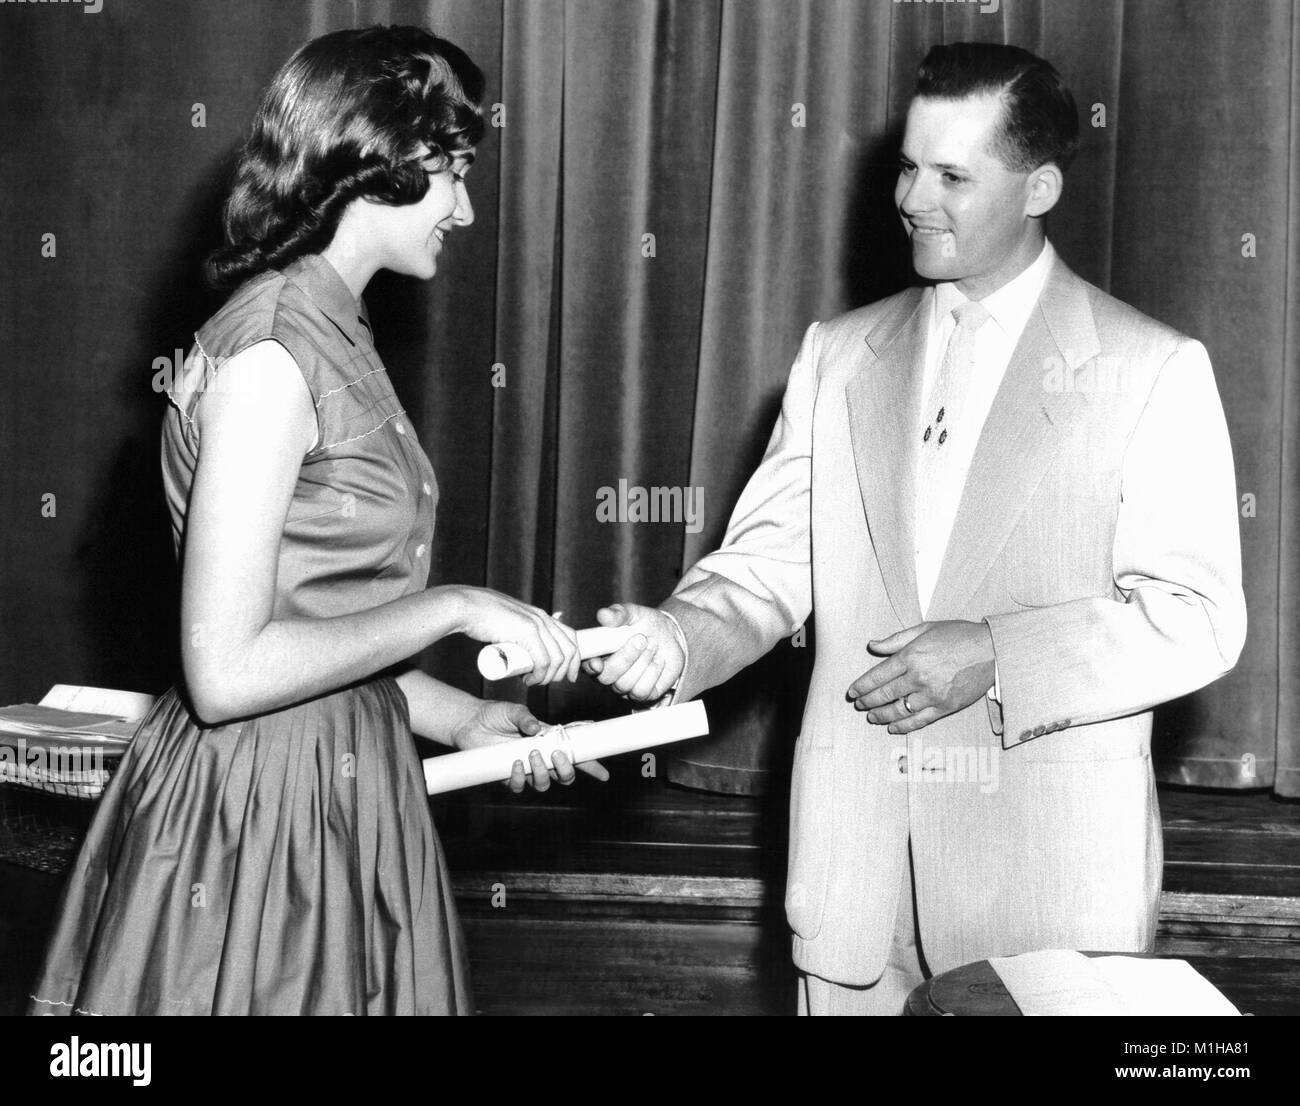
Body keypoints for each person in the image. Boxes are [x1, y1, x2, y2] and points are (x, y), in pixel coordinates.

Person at [586, 42, 1246, 1015]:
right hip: (851, 897)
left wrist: (996, 652)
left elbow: (1196, 615)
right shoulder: (838, 354)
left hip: (1044, 910)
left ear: (1039, 186)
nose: (912, 197)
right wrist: (676, 636)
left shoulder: (1151, 368)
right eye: (906, 164)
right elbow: (764, 570)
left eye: (952, 175)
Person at [28, 25, 603, 1017]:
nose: (464, 209)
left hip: (333, 791)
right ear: (380, 165)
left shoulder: (332, 326)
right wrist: (454, 606)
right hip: (258, 822)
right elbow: (227, 671)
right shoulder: (274, 354)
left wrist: (462, 715)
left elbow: (312, 619)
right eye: (452, 173)